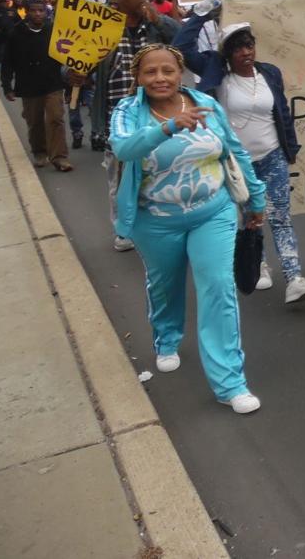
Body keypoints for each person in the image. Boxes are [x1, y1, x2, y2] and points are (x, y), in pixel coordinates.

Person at [110, 45, 266, 412]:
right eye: (151, 72)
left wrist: (255, 199)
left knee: (218, 289)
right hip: (156, 221)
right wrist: (167, 128)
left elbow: (235, 151)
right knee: (166, 285)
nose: (160, 78)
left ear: (181, 73)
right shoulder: (128, 111)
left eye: (168, 70)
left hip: (213, 212)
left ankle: (230, 382)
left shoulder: (206, 105)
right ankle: (167, 336)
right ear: (138, 77)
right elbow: (123, 149)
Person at [173, 14, 305, 304]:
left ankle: (295, 278)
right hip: (236, 163)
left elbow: (282, 113)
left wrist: (290, 149)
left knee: (281, 217)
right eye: (239, 48)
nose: (246, 53)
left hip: (272, 156)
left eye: (250, 46)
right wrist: (203, 15)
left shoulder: (270, 73)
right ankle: (258, 265)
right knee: (250, 218)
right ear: (227, 54)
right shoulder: (217, 75)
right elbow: (180, 47)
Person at [82, 0, 179, 251]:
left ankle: (158, 221)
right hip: (118, 117)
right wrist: (74, 75)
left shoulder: (154, 27)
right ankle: (123, 228)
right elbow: (74, 65)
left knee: (159, 170)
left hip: (154, 113)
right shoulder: (101, 28)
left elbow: (181, 38)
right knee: (121, 176)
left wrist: (159, 20)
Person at [0, 0, 73, 171]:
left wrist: (69, 86)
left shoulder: (54, 30)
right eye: (33, 10)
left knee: (56, 119)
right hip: (28, 85)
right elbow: (7, 61)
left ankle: (60, 157)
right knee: (35, 121)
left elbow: (65, 58)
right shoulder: (16, 33)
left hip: (52, 83)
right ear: (27, 11)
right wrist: (7, 86)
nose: (38, 14)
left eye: (41, 10)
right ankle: (40, 152)